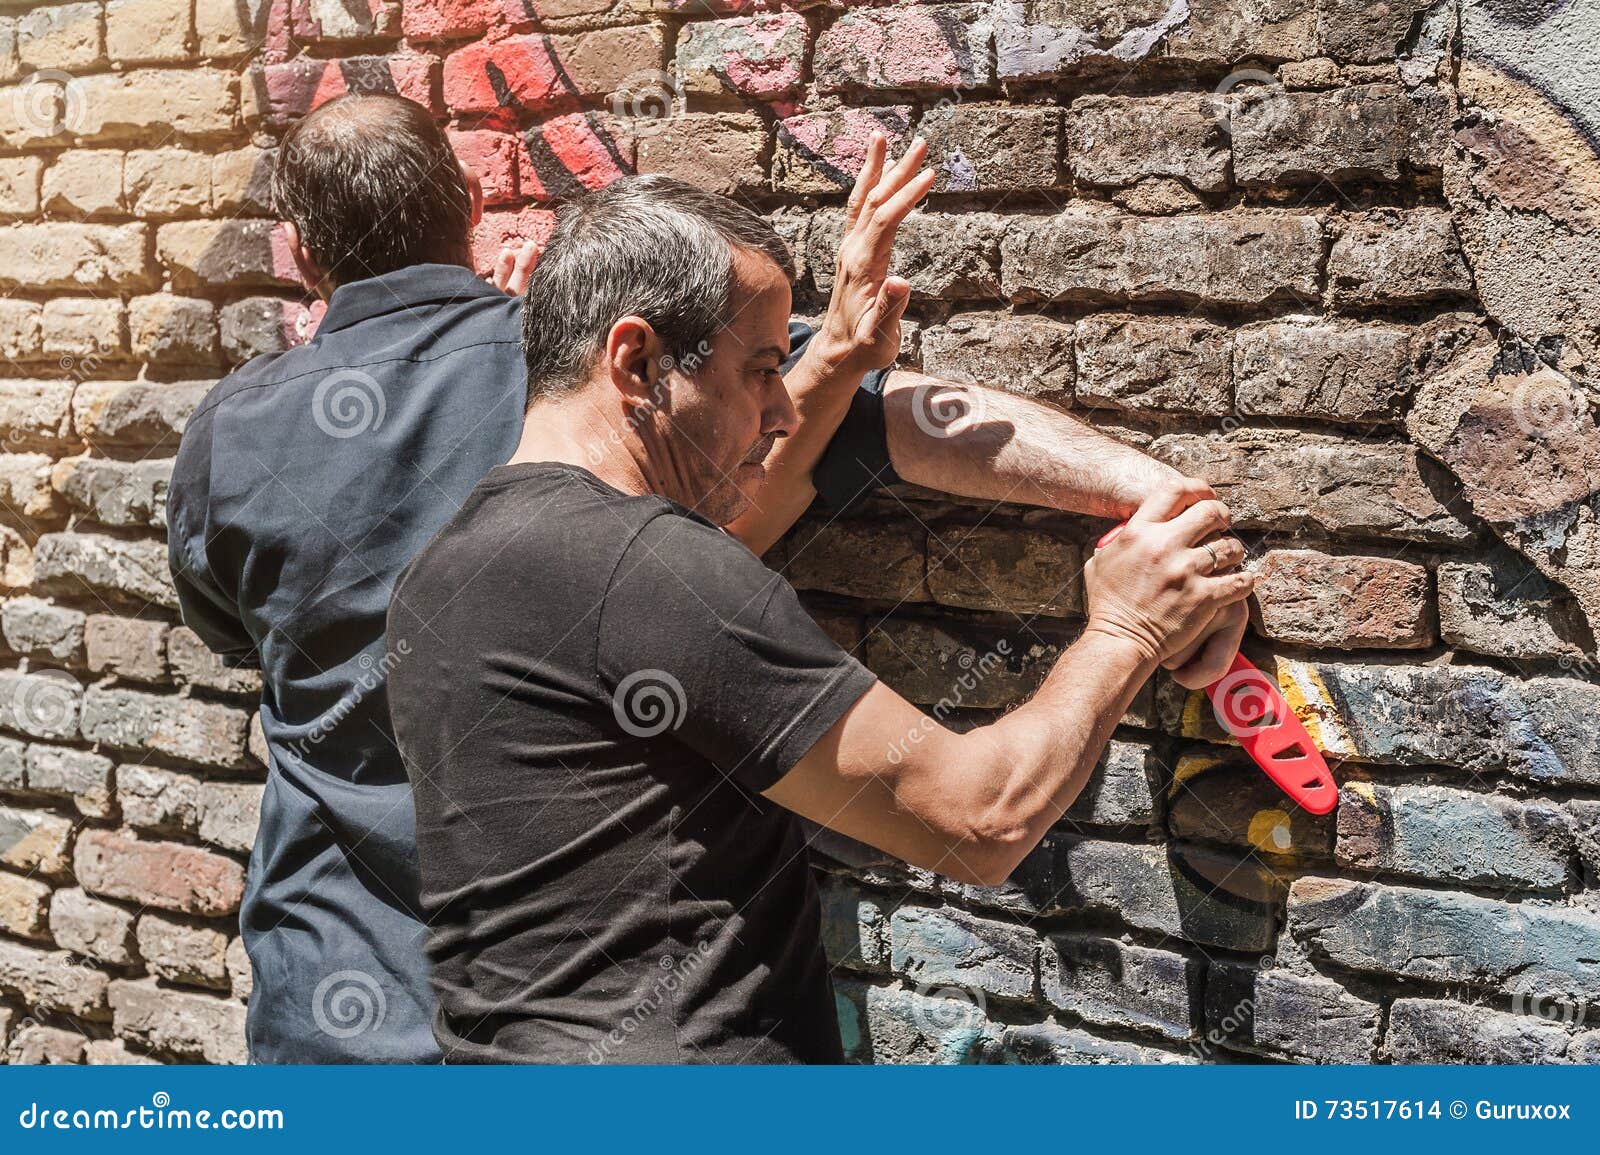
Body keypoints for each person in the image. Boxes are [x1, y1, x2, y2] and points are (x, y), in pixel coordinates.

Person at [169, 93, 1237, 1063]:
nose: (779, 406)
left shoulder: (275, 450)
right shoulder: (593, 437)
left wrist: (837, 357)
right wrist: (1156, 528)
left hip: (337, 1006)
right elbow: (975, 809)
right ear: (472, 210)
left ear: (298, 249)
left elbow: (233, 636)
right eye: (764, 370)